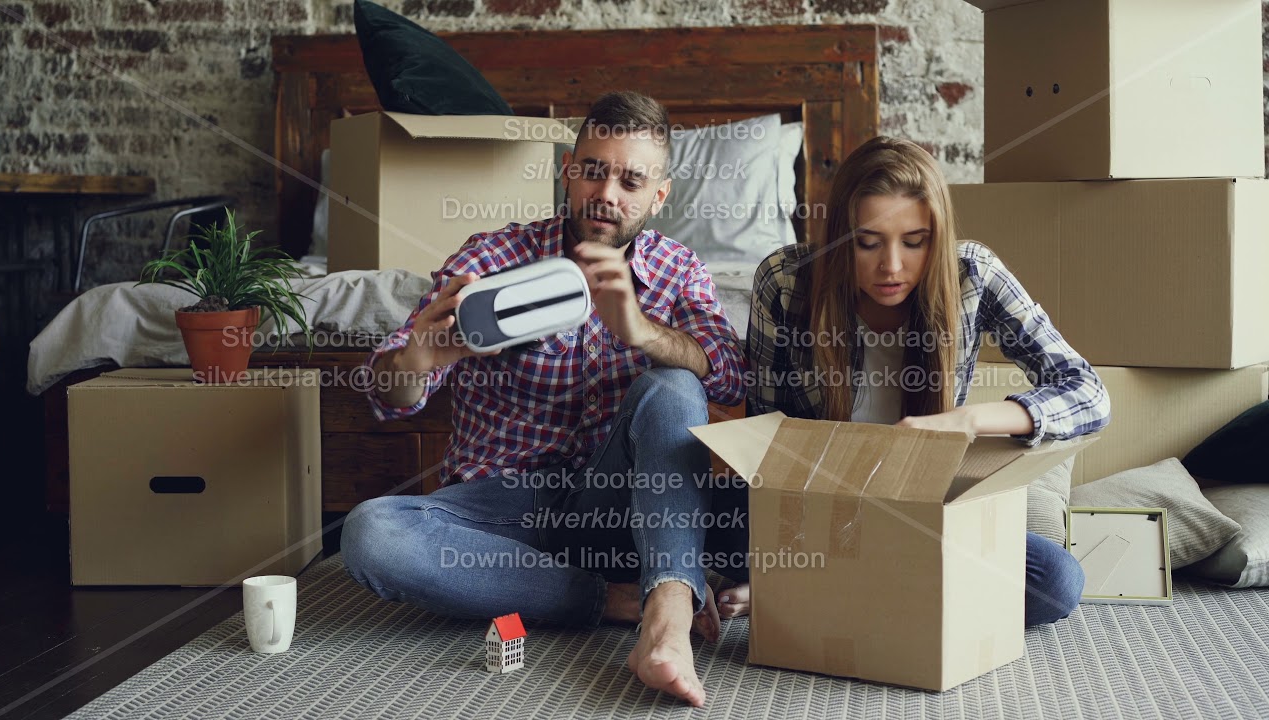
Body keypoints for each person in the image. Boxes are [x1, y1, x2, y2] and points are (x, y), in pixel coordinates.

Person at [340, 91, 746, 708]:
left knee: (674, 385)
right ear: (568, 169)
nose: (607, 192)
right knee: (371, 533)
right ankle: (611, 598)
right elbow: (388, 393)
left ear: (658, 196)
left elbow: (730, 379)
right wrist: (418, 360)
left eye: (631, 179)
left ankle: (667, 616)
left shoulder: (679, 270)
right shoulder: (493, 256)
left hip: (616, 508)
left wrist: (642, 331)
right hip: (501, 512)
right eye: (593, 170)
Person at [715, 135, 1110, 626]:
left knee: (1055, 584)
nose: (892, 267)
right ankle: (854, 582)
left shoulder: (974, 276)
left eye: (914, 242)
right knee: (713, 528)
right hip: (811, 512)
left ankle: (808, 586)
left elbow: (1087, 392)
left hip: (920, 515)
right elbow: (765, 434)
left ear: (936, 236)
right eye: (868, 242)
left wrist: (967, 421)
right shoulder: (786, 280)